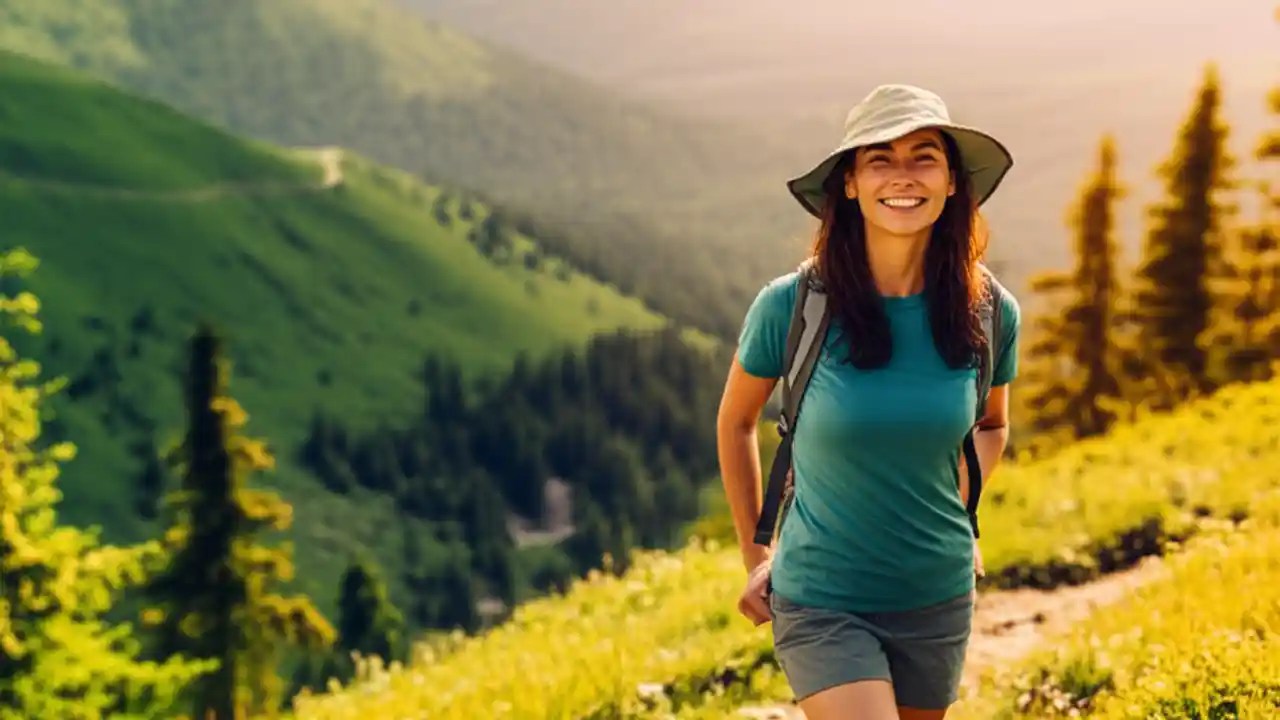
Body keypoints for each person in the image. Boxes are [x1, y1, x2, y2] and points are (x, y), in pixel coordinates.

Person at [715, 84, 1021, 720]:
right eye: (879, 158)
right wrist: (756, 554)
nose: (902, 176)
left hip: (937, 592)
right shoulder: (794, 306)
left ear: (952, 182)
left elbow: (991, 424)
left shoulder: (989, 311)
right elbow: (737, 421)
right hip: (823, 598)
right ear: (849, 184)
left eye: (924, 156)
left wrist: (960, 505)